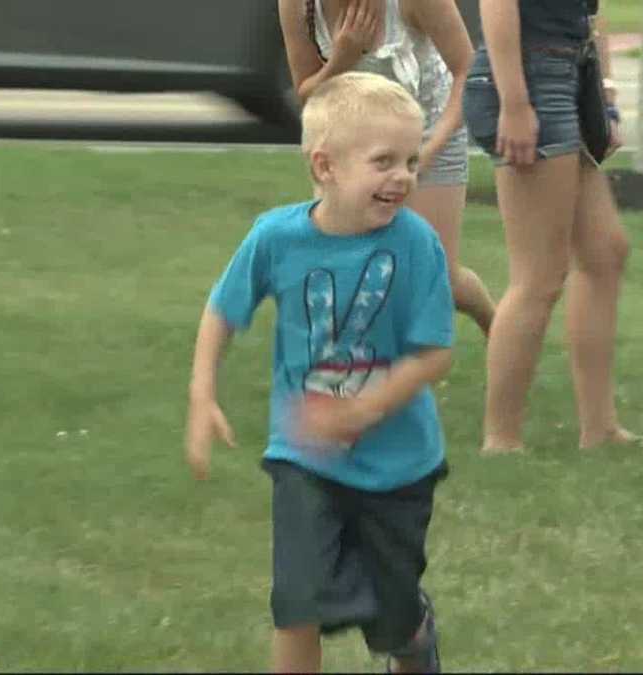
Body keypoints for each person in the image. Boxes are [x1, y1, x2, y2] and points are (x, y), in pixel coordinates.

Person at [184, 72, 453, 673]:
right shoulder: (277, 238)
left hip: (399, 466)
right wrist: (203, 393)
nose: (403, 177)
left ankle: (413, 635)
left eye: (411, 160)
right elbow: (222, 311)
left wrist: (364, 409)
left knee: (391, 616)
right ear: (325, 166)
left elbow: (435, 353)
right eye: (384, 161)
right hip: (305, 458)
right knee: (297, 599)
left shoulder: (416, 245)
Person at [461, 0, 643, 453]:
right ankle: (501, 439)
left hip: (567, 70)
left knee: (605, 252)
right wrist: (514, 102)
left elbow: (593, 11)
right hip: (526, 75)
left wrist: (605, 98)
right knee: (539, 276)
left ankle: (601, 429)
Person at [279, 0, 497, 335]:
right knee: (350, 268)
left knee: (437, 280)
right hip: (353, 142)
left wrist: (422, 155)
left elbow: (467, 71)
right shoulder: (297, 4)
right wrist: (342, 59)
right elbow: (307, 93)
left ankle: (497, 328)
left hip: (430, 132)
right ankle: (363, 374)